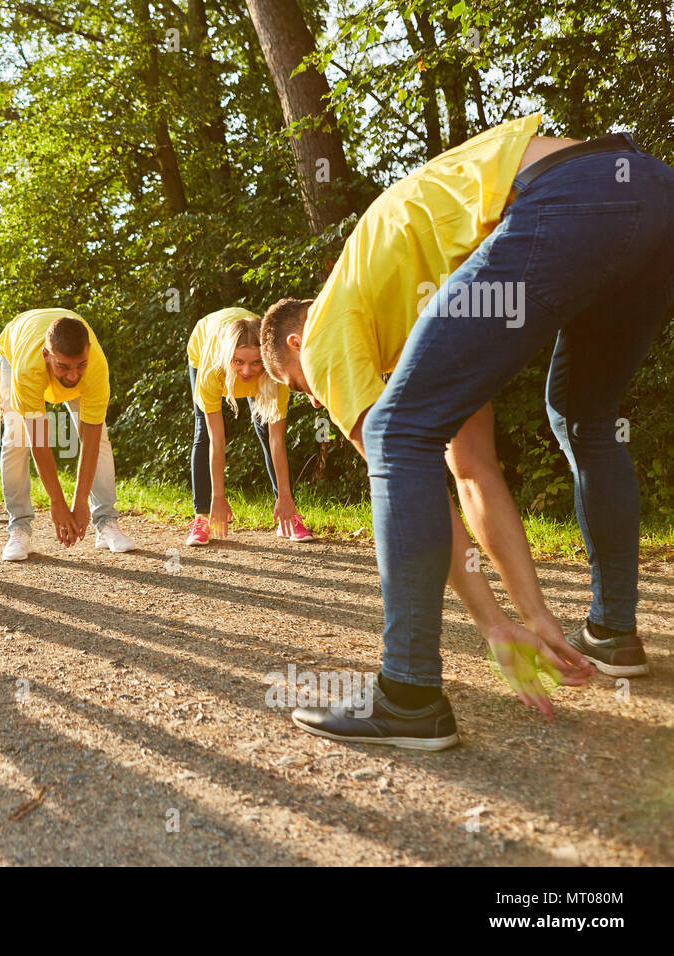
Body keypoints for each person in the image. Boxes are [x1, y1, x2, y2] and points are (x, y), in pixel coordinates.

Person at [260, 115, 674, 749]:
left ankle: (409, 694)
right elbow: (473, 469)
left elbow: (400, 454)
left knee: (393, 437)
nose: (320, 399)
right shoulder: (409, 309)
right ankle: (613, 631)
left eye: (299, 389)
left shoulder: (322, 333)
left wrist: (490, 625)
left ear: (295, 345)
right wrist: (526, 616)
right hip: (648, 193)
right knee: (585, 417)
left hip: (566, 194)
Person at [0, 308, 135, 561]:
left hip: (60, 354)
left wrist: (80, 501)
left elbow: (90, 439)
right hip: (15, 345)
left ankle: (106, 522)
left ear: (88, 354)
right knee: (16, 439)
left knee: (100, 437)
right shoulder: (27, 369)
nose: (72, 375)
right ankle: (19, 528)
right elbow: (39, 442)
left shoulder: (95, 369)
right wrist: (58, 503)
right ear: (47, 355)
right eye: (63, 366)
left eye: (79, 365)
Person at [185, 306, 312, 547]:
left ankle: (287, 512)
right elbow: (217, 440)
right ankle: (201, 516)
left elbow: (277, 440)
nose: (246, 371)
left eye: (255, 363)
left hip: (249, 356)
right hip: (203, 345)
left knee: (265, 430)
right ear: (228, 357)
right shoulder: (212, 370)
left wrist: (286, 496)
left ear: (265, 358)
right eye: (239, 361)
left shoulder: (274, 373)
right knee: (203, 433)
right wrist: (219, 497)